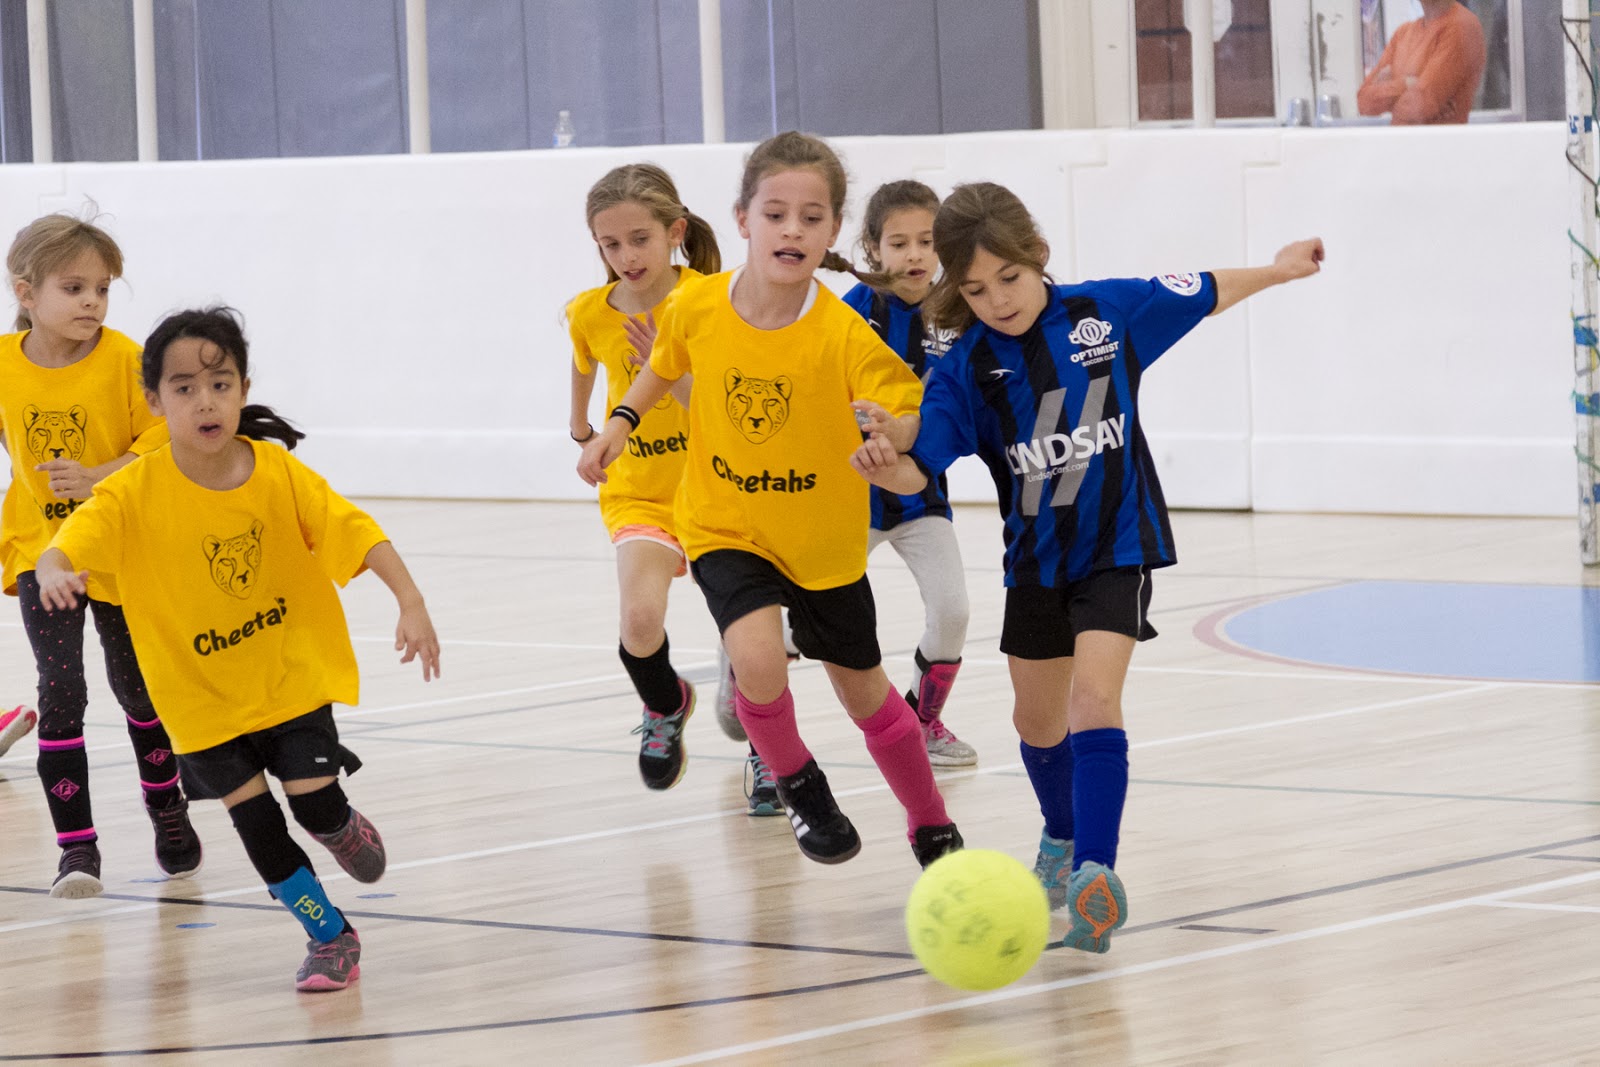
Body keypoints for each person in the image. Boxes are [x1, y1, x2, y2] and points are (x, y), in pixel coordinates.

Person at [852, 181, 1323, 948]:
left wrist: (1277, 269)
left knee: (1093, 705)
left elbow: (1204, 292)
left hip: (1117, 549)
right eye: (973, 289)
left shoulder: (1105, 313)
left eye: (1008, 278)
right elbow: (923, 463)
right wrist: (888, 467)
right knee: (1035, 722)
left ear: (1038, 255)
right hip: (1035, 564)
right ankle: (1062, 834)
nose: (996, 299)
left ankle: (1095, 872)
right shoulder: (965, 367)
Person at [579, 131, 962, 868]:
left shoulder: (845, 334)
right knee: (756, 658)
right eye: (776, 213)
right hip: (725, 523)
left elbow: (908, 413)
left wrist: (892, 433)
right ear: (743, 218)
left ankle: (929, 820)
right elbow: (664, 364)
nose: (793, 229)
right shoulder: (697, 306)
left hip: (822, 543)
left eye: (812, 218)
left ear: (831, 233)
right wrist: (617, 427)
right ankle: (798, 784)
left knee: (868, 697)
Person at [35, 307, 440, 992]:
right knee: (259, 830)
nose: (205, 401)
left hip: (287, 677)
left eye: (220, 384)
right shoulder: (131, 491)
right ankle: (329, 934)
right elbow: (72, 538)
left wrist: (412, 601)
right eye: (185, 387)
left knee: (312, 808)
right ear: (155, 401)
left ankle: (338, 823)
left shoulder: (276, 471)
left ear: (244, 389)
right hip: (199, 701)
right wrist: (52, 566)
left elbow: (354, 527)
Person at [3, 213, 202, 898]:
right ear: (27, 293)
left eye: (103, 288)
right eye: (75, 286)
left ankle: (168, 810)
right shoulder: (4, 364)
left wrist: (98, 475)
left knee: (137, 689)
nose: (92, 300)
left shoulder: (125, 359)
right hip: (45, 554)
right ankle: (76, 848)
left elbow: (166, 440)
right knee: (61, 691)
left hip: (120, 549)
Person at [568, 163, 722, 795]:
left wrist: (667, 354)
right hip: (640, 491)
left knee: (754, 645)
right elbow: (583, 361)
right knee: (638, 619)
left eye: (640, 239)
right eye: (611, 244)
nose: (625, 255)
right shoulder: (589, 311)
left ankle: (770, 750)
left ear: (675, 232)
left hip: (720, 489)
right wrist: (580, 427)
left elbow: (722, 403)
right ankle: (664, 706)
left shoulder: (713, 299)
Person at [839, 179, 976, 769]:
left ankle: (923, 721)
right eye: (899, 242)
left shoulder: (963, 311)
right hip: (850, 504)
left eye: (926, 240)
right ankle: (748, 679)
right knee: (805, 629)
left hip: (922, 500)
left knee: (953, 611)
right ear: (873, 248)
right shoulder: (847, 316)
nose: (915, 254)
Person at [1356, 0, 1485, 125]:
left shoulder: (1461, 26)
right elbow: (1364, 102)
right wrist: (1405, 84)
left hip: (1439, 145)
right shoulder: (1403, 33)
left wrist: (1387, 92)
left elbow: (1420, 106)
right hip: (1401, 143)